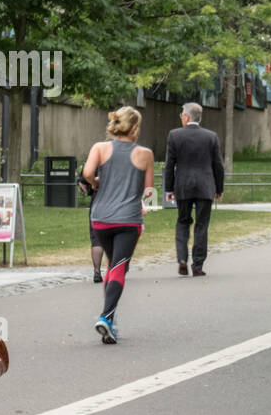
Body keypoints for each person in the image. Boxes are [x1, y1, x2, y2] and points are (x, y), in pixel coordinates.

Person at [83, 106, 153, 343]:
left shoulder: (99, 148)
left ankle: (110, 323)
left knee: (113, 265)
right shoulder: (145, 154)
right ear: (134, 128)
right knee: (119, 266)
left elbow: (87, 173)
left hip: (100, 218)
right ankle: (106, 316)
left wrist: (96, 183)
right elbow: (149, 189)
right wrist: (145, 197)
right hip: (128, 220)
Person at [164, 102, 224, 277]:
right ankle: (198, 265)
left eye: (182, 114)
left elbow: (170, 165)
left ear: (187, 117)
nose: (181, 117)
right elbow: (218, 165)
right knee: (202, 225)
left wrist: (168, 189)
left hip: (182, 186)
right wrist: (219, 187)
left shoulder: (174, 135)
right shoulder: (211, 137)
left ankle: (182, 259)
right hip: (206, 186)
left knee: (183, 221)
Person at [77, 166, 103, 282]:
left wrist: (92, 188)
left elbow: (82, 182)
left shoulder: (95, 159)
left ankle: (97, 271)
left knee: (96, 238)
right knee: (117, 236)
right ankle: (116, 270)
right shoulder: (120, 157)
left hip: (97, 201)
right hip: (117, 201)